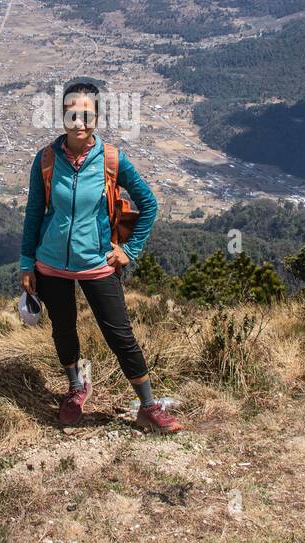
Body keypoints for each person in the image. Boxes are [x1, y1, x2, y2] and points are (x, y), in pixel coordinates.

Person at [18, 81, 182, 433]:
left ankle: (148, 405)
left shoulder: (111, 159)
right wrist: (25, 262)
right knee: (63, 330)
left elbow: (149, 204)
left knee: (120, 334)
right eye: (72, 114)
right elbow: (34, 213)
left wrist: (130, 251)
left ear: (98, 117)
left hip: (97, 263)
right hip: (50, 264)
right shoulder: (46, 159)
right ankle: (76, 388)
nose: (79, 122)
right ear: (62, 116)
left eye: (87, 115)